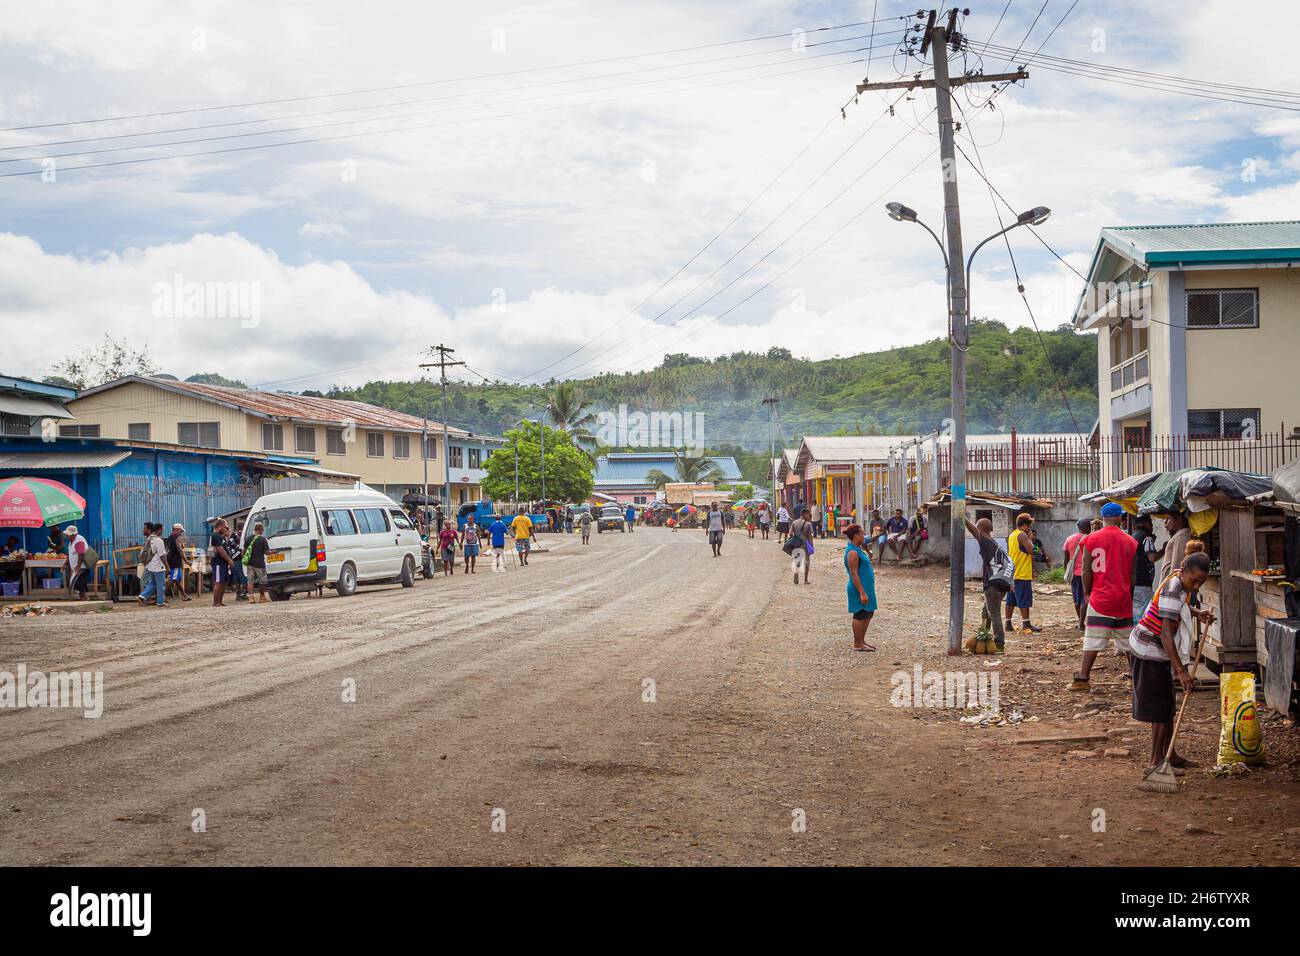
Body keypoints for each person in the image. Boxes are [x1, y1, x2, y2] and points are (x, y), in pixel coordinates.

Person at [1129, 551, 1214, 774]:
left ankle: (1170, 755)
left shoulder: (1179, 581)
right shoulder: (1173, 588)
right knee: (1159, 708)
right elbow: (1166, 633)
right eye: (1194, 580)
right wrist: (1180, 670)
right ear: (1184, 571)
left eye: (1201, 582)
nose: (1196, 586)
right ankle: (1155, 762)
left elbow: (1177, 608)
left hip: (1157, 648)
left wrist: (1197, 613)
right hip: (1150, 650)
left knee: (1167, 705)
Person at [1071, 502, 1138, 692]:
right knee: (1127, 642)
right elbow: (1133, 574)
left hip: (1100, 597)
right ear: (1119, 518)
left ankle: (1083, 678)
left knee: (1092, 640)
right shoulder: (1130, 541)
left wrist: (1087, 591)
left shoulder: (1091, 540)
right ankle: (1135, 678)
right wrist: (1129, 594)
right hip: (1123, 598)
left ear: (1103, 517)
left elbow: (1085, 571)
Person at [966, 516, 1010, 651]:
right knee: (986, 613)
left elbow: (973, 531)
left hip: (993, 585)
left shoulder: (985, 541)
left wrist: (962, 515)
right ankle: (982, 639)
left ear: (980, 528)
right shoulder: (994, 543)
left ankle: (999, 644)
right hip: (1000, 583)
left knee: (994, 614)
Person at [1003, 512, 1040, 634]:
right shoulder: (1023, 536)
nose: (1029, 529)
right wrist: (1031, 540)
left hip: (1012, 573)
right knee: (1024, 599)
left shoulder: (1012, 535)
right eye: (1029, 526)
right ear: (1024, 525)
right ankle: (1026, 624)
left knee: (1010, 600)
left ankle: (1008, 623)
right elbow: (1032, 550)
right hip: (1022, 573)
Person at [843, 524, 877, 652]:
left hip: (866, 587)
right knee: (860, 614)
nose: (864, 536)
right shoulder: (852, 552)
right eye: (862, 534)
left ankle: (862, 640)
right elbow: (853, 573)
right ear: (856, 535)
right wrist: (862, 592)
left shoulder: (857, 549)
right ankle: (857, 643)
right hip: (858, 588)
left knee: (869, 612)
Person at [1062, 517, 1091, 630]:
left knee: (1076, 599)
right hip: (1087, 573)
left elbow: (1066, 559)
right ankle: (1081, 623)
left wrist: (1067, 573)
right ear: (1088, 527)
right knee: (1085, 598)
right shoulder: (1090, 538)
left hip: (1074, 574)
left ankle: (1080, 622)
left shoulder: (1069, 539)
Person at [1131, 514, 1158, 627]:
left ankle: (1134, 635)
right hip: (1144, 582)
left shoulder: (1132, 536)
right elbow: (1152, 557)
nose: (1152, 527)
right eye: (1151, 524)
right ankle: (1140, 636)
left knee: (1136, 611)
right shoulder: (1147, 537)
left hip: (1134, 582)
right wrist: (1164, 550)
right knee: (1144, 612)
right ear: (1147, 523)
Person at [136, 523, 167, 607]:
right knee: (161, 584)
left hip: (149, 566)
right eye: (162, 529)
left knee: (152, 583)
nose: (163, 531)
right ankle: (160, 602)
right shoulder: (159, 541)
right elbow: (162, 556)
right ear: (159, 530)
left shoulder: (149, 538)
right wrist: (167, 567)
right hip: (158, 566)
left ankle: (142, 596)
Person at [1156, 511, 1192, 582]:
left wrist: (1172, 589)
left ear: (1179, 519)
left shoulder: (1181, 537)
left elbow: (1177, 566)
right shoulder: (1180, 535)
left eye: (1169, 518)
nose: (1165, 524)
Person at [244, 521, 271, 603]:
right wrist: (273, 552)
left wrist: (244, 560)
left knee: (250, 581)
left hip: (250, 564)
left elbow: (244, 551)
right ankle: (262, 597)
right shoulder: (262, 539)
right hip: (259, 564)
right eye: (262, 530)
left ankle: (251, 598)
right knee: (262, 581)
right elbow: (267, 552)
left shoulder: (248, 538)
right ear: (260, 530)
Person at [165, 523, 192, 602]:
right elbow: (180, 550)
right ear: (176, 530)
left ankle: (184, 595)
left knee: (177, 579)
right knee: (173, 579)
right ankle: (161, 595)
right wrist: (186, 561)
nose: (181, 533)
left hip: (170, 559)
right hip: (175, 561)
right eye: (181, 531)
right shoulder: (177, 538)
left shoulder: (169, 537)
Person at [209, 519, 233, 606]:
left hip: (223, 563)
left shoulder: (221, 536)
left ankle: (220, 601)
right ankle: (216, 602)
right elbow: (220, 549)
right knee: (218, 582)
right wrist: (229, 560)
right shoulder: (216, 535)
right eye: (225, 527)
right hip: (218, 562)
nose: (226, 529)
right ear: (220, 526)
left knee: (223, 582)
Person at [64, 523, 90, 600]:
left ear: (73, 534)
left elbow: (81, 553)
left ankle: (84, 597)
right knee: (79, 582)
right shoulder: (71, 541)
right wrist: (65, 564)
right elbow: (70, 554)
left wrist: (78, 565)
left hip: (82, 566)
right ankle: (83, 597)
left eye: (68, 534)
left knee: (78, 582)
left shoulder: (79, 540)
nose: (66, 535)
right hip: (78, 566)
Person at [788, 508, 814, 584]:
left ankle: (796, 577)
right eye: (808, 515)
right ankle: (805, 580)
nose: (809, 516)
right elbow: (810, 536)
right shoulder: (808, 524)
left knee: (797, 561)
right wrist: (811, 547)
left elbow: (790, 533)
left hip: (796, 545)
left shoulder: (794, 522)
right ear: (804, 514)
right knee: (806, 562)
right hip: (805, 545)